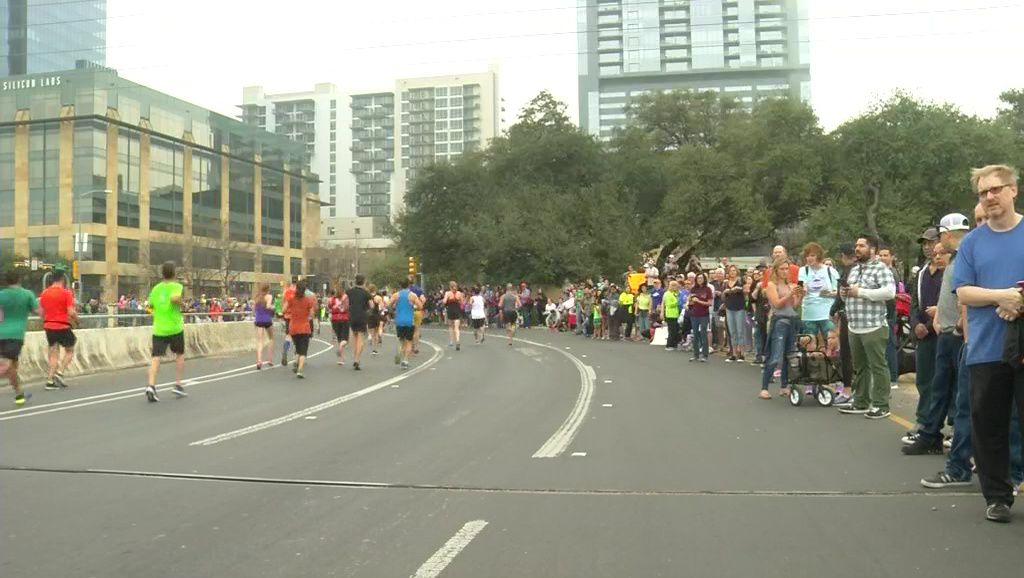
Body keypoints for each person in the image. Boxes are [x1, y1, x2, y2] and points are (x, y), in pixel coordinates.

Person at [953, 164, 1024, 523]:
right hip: (986, 349)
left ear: (1013, 190)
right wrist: (1001, 296)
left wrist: (1018, 301)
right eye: (983, 192)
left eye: (996, 189)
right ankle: (997, 497)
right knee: (989, 426)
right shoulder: (972, 243)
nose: (990, 197)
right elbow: (964, 292)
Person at [836, 235, 897, 419]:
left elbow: (889, 292)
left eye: (861, 246)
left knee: (878, 366)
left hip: (873, 326)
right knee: (860, 367)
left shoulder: (881, 268)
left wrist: (860, 292)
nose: (857, 248)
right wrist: (844, 293)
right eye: (856, 245)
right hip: (855, 325)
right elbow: (849, 295)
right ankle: (861, 401)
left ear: (872, 249)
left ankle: (881, 405)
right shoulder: (854, 270)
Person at [910, 225, 945, 429]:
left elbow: (950, 304)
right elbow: (914, 303)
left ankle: (950, 424)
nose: (927, 247)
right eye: (924, 243)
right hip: (923, 335)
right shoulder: (921, 273)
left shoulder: (948, 270)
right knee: (924, 379)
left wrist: (930, 326)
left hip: (942, 332)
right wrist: (916, 325)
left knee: (945, 379)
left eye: (931, 242)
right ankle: (924, 420)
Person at [759, 260, 804, 399]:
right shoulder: (772, 285)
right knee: (775, 355)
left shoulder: (791, 285)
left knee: (788, 355)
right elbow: (777, 304)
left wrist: (800, 295)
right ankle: (764, 387)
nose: (785, 271)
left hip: (792, 320)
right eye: (782, 269)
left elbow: (794, 306)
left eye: (787, 269)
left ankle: (784, 386)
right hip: (780, 321)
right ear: (776, 270)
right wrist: (790, 294)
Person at [145, 261, 187, 402]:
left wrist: (156, 313)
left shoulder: (155, 289)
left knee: (156, 357)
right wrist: (183, 304)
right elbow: (175, 298)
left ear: (162, 273)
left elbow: (149, 307)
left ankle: (151, 385)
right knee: (179, 354)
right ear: (174, 273)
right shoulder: (177, 286)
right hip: (175, 327)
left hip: (159, 328)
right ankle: (178, 384)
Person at [0, 270, 41, 405]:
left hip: (1, 333)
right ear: (19, 279)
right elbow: (39, 312)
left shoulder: (1, 295)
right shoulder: (27, 294)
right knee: (6, 365)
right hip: (16, 335)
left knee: (12, 367)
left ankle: (19, 394)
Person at [39, 267, 78, 389]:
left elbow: (41, 312)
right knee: (70, 349)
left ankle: (50, 381)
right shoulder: (66, 293)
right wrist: (77, 320)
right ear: (62, 279)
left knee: (53, 353)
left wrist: (46, 320)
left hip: (49, 326)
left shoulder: (44, 293)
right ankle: (60, 372)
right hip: (62, 325)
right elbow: (71, 312)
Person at [798, 243, 840, 351]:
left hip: (827, 312)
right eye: (807, 256)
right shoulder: (803, 270)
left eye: (812, 255)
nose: (809, 258)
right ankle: (812, 361)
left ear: (819, 256)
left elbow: (839, 291)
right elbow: (801, 286)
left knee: (831, 342)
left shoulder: (830, 271)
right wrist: (802, 289)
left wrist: (825, 293)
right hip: (809, 312)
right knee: (809, 341)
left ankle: (831, 360)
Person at [830, 244, 858, 404]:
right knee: (854, 354)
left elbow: (841, 295)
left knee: (846, 353)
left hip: (849, 314)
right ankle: (856, 390)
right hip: (853, 314)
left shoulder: (848, 271)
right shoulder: (857, 269)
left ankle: (848, 390)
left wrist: (833, 310)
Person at [283, 279, 316, 379]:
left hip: (293, 327)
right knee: (303, 351)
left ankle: (295, 362)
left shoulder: (291, 299)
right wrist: (307, 316)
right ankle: (300, 370)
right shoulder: (308, 300)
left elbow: (284, 310)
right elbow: (312, 314)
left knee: (297, 348)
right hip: (304, 328)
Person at [346, 275, 372, 371]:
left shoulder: (349, 292)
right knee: (361, 338)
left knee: (354, 337)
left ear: (355, 281)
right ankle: (357, 359)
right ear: (363, 282)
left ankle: (355, 357)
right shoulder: (366, 293)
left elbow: (345, 303)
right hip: (362, 316)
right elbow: (372, 305)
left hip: (352, 316)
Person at [391, 279, 420, 369]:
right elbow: (420, 306)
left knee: (402, 340)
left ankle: (400, 352)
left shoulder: (396, 295)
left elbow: (388, 304)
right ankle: (405, 360)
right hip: (409, 321)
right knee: (409, 341)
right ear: (408, 285)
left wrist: (395, 308)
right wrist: (413, 306)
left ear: (400, 286)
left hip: (399, 321)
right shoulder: (412, 295)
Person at [722, 264, 748, 362]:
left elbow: (747, 292)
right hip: (729, 308)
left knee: (740, 331)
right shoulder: (725, 283)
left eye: (734, 270)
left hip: (739, 308)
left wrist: (739, 289)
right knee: (732, 331)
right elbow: (723, 297)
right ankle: (734, 353)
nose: (732, 272)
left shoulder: (741, 281)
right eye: (730, 271)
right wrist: (725, 292)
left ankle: (742, 353)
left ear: (737, 271)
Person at [687, 273, 714, 362]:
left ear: (704, 279)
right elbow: (690, 300)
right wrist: (690, 302)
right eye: (698, 278)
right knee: (695, 334)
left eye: (701, 278)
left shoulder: (707, 289)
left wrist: (699, 301)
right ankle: (696, 355)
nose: (699, 279)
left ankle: (705, 355)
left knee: (703, 333)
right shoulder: (693, 289)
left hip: (704, 315)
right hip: (694, 314)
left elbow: (709, 303)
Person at [253, 283, 274, 369]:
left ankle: (259, 360)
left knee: (260, 341)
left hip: (259, 320)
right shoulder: (269, 296)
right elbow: (268, 306)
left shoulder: (257, 297)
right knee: (271, 338)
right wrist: (273, 308)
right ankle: (270, 359)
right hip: (267, 319)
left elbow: (254, 309)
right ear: (268, 289)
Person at [328, 284, 350, 366]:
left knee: (339, 338)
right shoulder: (345, 297)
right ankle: (340, 348)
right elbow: (346, 307)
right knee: (345, 339)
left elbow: (329, 306)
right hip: (344, 319)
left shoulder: (333, 299)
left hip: (335, 320)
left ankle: (341, 359)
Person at [280, 278, 297, 367]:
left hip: (287, 316)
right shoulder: (298, 291)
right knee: (297, 337)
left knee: (288, 335)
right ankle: (295, 358)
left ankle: (285, 351)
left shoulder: (286, 291)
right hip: (296, 316)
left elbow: (283, 303)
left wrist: (283, 313)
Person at [661, 279, 682, 351]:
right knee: (672, 331)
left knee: (676, 330)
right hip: (670, 314)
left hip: (675, 314)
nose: (675, 287)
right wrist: (677, 301)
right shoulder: (667, 294)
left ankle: (674, 344)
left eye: (676, 286)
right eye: (674, 285)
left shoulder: (674, 294)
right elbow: (669, 304)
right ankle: (669, 345)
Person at [443, 281, 464, 351]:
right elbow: (462, 302)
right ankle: (457, 340)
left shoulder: (448, 293)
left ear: (450, 287)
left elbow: (444, 301)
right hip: (457, 310)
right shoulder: (459, 293)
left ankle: (451, 341)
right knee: (457, 328)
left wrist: (447, 300)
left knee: (450, 326)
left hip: (450, 310)